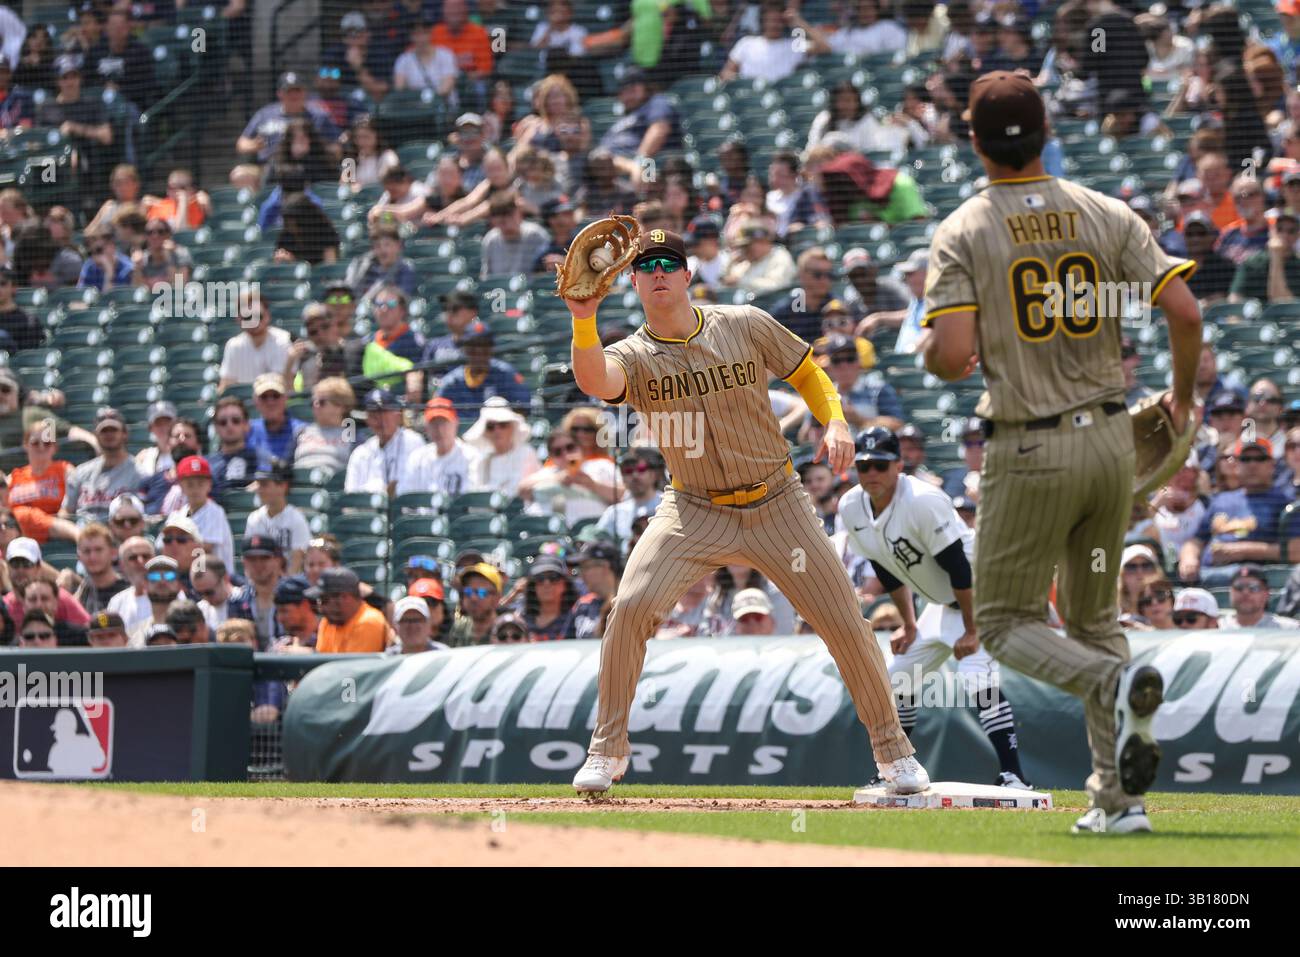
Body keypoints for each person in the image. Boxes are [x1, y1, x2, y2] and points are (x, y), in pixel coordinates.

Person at [920, 71, 1203, 835]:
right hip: (1111, 443)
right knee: (1095, 615)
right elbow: (1183, 308)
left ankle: (1116, 684)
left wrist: (938, 352)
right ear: (1046, 130)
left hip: (1030, 446)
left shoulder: (966, 226)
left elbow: (950, 355)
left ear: (973, 139)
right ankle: (1120, 800)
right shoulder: (1106, 211)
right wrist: (1178, 396)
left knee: (1008, 621)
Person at [563, 225, 923, 795]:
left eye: (668, 264)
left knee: (844, 622)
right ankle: (606, 752)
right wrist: (583, 318)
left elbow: (807, 371)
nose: (658, 273)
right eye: (647, 266)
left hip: (778, 501)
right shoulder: (632, 353)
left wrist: (834, 418)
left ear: (687, 276)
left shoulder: (743, 323)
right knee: (630, 607)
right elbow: (594, 379)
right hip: (693, 508)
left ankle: (894, 754)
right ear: (631, 280)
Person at [1178, 438, 1290, 586]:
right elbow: (1197, 539)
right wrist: (1188, 558)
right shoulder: (1220, 499)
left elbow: (1294, 550)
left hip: (1252, 579)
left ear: (1272, 465)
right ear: (1237, 465)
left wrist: (1242, 551)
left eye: (1260, 459)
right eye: (1245, 459)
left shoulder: (1283, 502)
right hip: (1207, 574)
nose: (1252, 464)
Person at [233, 71, 340, 188]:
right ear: (279, 94)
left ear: (304, 92)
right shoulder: (265, 114)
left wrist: (318, 148)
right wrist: (254, 145)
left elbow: (337, 146)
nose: (294, 95)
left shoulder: (319, 116)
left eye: (297, 90)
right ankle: (256, 205)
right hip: (266, 166)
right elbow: (241, 144)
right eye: (289, 91)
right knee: (240, 175)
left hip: (307, 166)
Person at [60, 408, 141, 526]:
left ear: (125, 434)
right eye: (104, 430)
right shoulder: (81, 472)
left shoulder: (139, 473)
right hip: (83, 536)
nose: (109, 434)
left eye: (113, 429)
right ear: (95, 435)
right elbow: (66, 511)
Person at [7, 419, 78, 544]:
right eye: (35, 443)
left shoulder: (65, 470)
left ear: (54, 447)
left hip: (58, 539)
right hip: (17, 538)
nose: (41, 447)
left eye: (47, 443)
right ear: (25, 445)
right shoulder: (13, 477)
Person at [435, 322, 531, 412]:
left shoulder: (505, 374)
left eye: (484, 346)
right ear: (464, 348)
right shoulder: (452, 382)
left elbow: (524, 408)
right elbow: (436, 410)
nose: (479, 351)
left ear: (491, 349)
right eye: (473, 346)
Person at [344, 389, 425, 495]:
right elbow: (350, 498)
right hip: (369, 510)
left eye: (385, 413)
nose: (380, 419)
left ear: (397, 415)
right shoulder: (360, 453)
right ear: (367, 419)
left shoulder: (414, 442)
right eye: (374, 414)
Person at [397, 397, 477, 496]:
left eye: (444, 422)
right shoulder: (417, 458)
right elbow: (405, 496)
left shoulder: (471, 457)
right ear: (426, 428)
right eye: (434, 423)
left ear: (455, 423)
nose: (439, 429)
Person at [464, 397, 540, 496]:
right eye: (490, 427)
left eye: (503, 424)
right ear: (485, 432)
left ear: (512, 427)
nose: (497, 431)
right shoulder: (481, 460)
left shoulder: (527, 453)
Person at [595, 447, 665, 553]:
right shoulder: (613, 512)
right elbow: (597, 540)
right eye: (628, 471)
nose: (635, 475)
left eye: (641, 469)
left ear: (654, 474)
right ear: (622, 478)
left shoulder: (667, 503)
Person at [172, 456, 234, 572]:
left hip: (218, 579)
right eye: (190, 484)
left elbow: (204, 549)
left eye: (200, 483)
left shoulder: (215, 512)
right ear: (181, 485)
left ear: (209, 484)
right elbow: (162, 545)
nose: (195, 489)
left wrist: (176, 549)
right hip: (191, 577)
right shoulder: (178, 515)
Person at [720, 0, 804, 84]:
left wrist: (798, 21)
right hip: (749, 93)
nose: (775, 25)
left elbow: (817, 45)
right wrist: (741, 80)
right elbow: (725, 73)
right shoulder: (746, 43)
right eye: (771, 20)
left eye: (779, 21)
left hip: (781, 94)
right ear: (763, 21)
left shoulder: (793, 46)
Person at [311, 567, 392, 653]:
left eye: (324, 599)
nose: (320, 606)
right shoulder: (328, 622)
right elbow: (320, 659)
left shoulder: (369, 621)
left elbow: (354, 665)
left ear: (345, 597)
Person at [227, 535, 287, 650]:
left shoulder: (293, 595)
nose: (258, 564)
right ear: (244, 562)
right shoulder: (237, 600)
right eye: (251, 559)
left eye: (264, 558)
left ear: (278, 560)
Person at [479, 190, 551, 279]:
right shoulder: (491, 240)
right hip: (499, 291)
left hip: (528, 291)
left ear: (519, 214)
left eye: (510, 216)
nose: (507, 225)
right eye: (501, 222)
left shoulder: (536, 235)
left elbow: (546, 276)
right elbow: (486, 277)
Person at [294, 377, 357, 474]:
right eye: (313, 402)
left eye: (321, 402)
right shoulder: (301, 431)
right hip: (300, 486)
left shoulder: (354, 436)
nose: (315, 406)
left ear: (340, 406)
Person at [345, 224, 419, 305]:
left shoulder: (405, 271)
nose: (382, 250)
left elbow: (399, 302)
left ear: (398, 245)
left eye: (387, 244)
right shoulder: (360, 265)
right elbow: (348, 292)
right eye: (378, 246)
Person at [207, 397, 262, 500]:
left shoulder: (262, 459)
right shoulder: (206, 464)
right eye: (223, 422)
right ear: (216, 428)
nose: (229, 425)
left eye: (235, 420)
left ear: (246, 425)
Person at [247, 373, 307, 465]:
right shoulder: (247, 431)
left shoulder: (301, 431)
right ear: (255, 401)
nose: (270, 402)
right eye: (264, 397)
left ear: (285, 398)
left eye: (276, 396)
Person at [69, 522, 128, 616]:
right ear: (79, 557)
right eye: (87, 551)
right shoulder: (82, 592)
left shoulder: (127, 591)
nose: (92, 557)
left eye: (98, 550)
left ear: (113, 553)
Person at [1217, 565, 1298, 629]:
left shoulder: (1289, 629)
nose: (1245, 592)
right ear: (1230, 592)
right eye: (1239, 587)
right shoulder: (1217, 628)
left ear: (1266, 594)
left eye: (1254, 588)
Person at [127, 555, 184, 646]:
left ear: (179, 584)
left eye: (169, 576)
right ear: (145, 584)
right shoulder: (136, 634)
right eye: (154, 577)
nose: (162, 581)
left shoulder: (191, 626)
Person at [520, 554, 578, 641]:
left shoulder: (576, 620)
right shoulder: (521, 620)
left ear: (564, 584)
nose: (546, 584)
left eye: (553, 578)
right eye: (540, 578)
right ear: (533, 585)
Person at [393, 19, 458, 95]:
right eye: (416, 33)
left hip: (441, 103)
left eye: (424, 33)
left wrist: (427, 99)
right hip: (415, 104)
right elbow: (399, 88)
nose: (421, 38)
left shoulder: (446, 55)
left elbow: (446, 87)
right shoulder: (403, 60)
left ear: (430, 34)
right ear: (411, 36)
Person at [446, 561, 503, 646]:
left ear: (496, 597)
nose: (473, 598)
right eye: (468, 592)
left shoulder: (505, 630)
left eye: (481, 593)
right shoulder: (460, 627)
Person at [106, 535, 154, 631]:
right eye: (133, 557)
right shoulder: (116, 602)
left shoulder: (171, 596)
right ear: (122, 565)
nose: (140, 561)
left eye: (146, 556)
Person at [76, 226, 132, 291]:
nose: (96, 257)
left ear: (112, 246)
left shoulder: (127, 268)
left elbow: (111, 298)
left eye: (99, 250)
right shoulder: (90, 266)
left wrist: (109, 274)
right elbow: (81, 296)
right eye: (92, 252)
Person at [272, 574, 319, 651]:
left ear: (305, 605)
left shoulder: (327, 637)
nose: (279, 618)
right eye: (278, 612)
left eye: (284, 611)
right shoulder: (281, 646)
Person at [135, 401, 178, 477]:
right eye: (158, 423)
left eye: (167, 422)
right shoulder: (145, 456)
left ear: (175, 424)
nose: (164, 427)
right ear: (150, 428)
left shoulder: (185, 452)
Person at [191, 558, 233, 631]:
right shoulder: (200, 610)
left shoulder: (245, 603)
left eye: (209, 592)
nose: (205, 598)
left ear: (225, 579)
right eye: (199, 593)